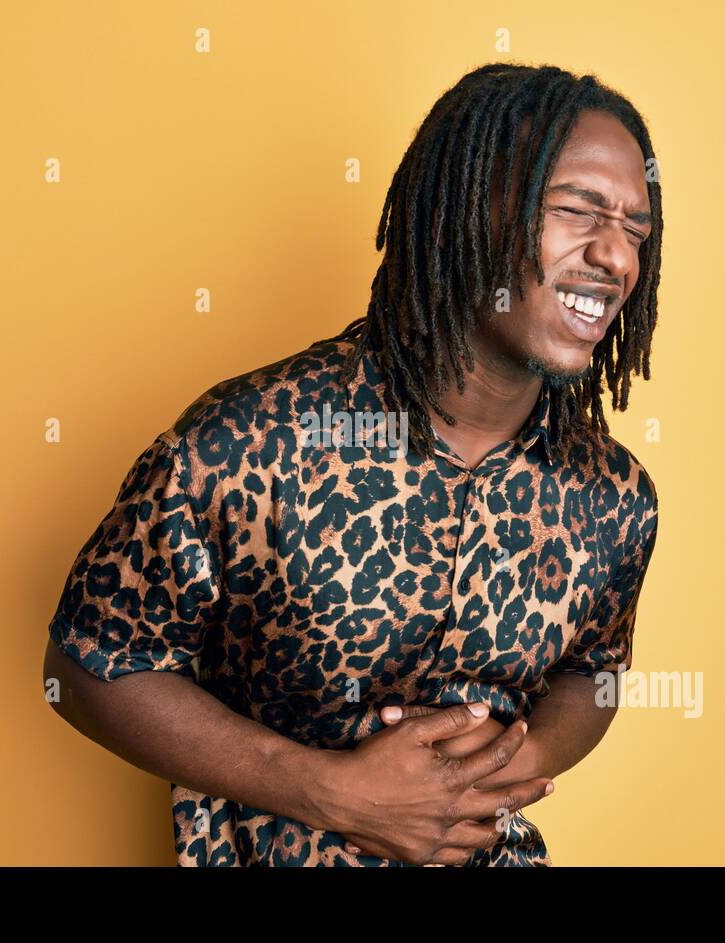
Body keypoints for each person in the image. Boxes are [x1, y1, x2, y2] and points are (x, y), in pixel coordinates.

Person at [43, 62, 662, 866]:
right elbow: (89, 663)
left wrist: (528, 760)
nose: (614, 256)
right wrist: (324, 789)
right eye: (577, 210)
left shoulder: (614, 497)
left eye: (637, 232)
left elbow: (598, 672)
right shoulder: (252, 442)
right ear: (462, 211)